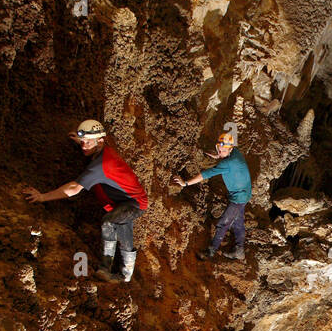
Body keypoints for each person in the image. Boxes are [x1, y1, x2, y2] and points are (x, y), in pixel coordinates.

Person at [23, 119, 148, 283]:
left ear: (100, 141)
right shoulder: (102, 150)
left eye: (88, 142)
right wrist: (85, 141)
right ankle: (125, 276)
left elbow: (74, 188)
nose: (84, 146)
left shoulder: (103, 164)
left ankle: (105, 268)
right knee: (124, 234)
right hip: (121, 202)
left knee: (109, 223)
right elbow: (93, 145)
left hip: (134, 203)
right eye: (82, 142)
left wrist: (42, 197)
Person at [172, 130, 251, 260]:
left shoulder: (227, 163)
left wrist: (185, 183)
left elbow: (206, 174)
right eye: (219, 149)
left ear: (230, 149)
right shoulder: (235, 153)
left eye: (223, 150)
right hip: (245, 193)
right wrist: (218, 156)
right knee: (237, 223)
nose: (220, 152)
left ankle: (211, 252)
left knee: (223, 223)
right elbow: (224, 156)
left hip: (238, 198)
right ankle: (239, 250)